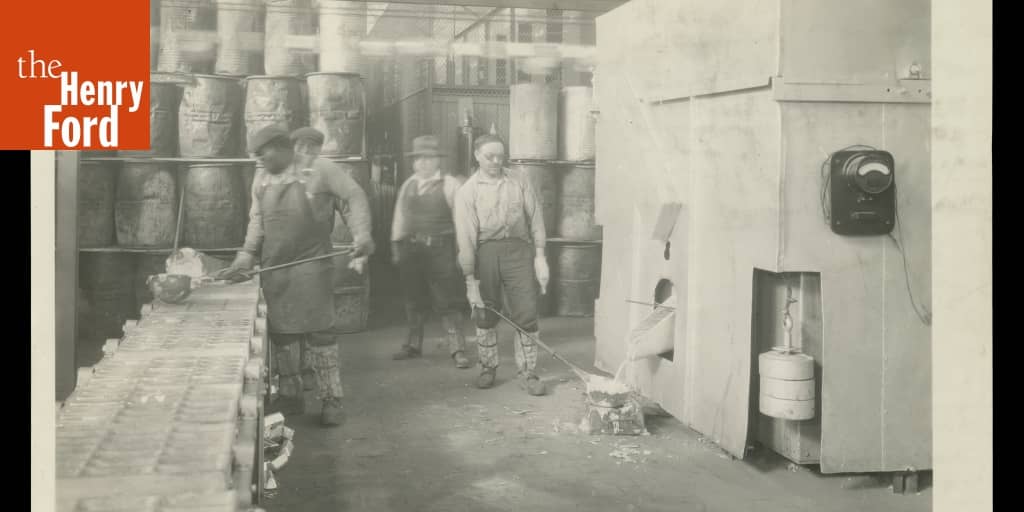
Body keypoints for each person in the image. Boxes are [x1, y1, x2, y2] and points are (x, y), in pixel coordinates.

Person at [216, 125, 374, 426]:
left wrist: (362, 233)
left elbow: (354, 197)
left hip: (312, 263)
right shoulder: (261, 177)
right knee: (283, 333)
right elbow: (257, 219)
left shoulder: (320, 169)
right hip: (276, 266)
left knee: (320, 332)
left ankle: (332, 399)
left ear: (283, 148)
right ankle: (292, 395)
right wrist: (246, 256)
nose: (259, 160)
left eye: (264, 153)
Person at [454, 134, 550, 395]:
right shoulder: (468, 192)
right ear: (476, 155)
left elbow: (536, 218)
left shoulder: (519, 180)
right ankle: (488, 367)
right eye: (490, 157)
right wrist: (470, 280)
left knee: (527, 310)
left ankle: (528, 372)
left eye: (500, 156)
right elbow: (466, 239)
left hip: (520, 251)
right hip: (486, 253)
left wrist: (540, 257)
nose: (496, 161)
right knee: (485, 311)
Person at [389, 135, 471, 368]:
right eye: (418, 159)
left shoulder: (450, 185)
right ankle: (413, 345)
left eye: (428, 158)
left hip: (441, 250)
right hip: (411, 251)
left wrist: (462, 251)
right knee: (413, 299)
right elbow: (400, 218)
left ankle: (458, 349)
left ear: (438, 161)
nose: (423, 163)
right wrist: (397, 246)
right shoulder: (408, 185)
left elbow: (462, 221)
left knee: (447, 301)